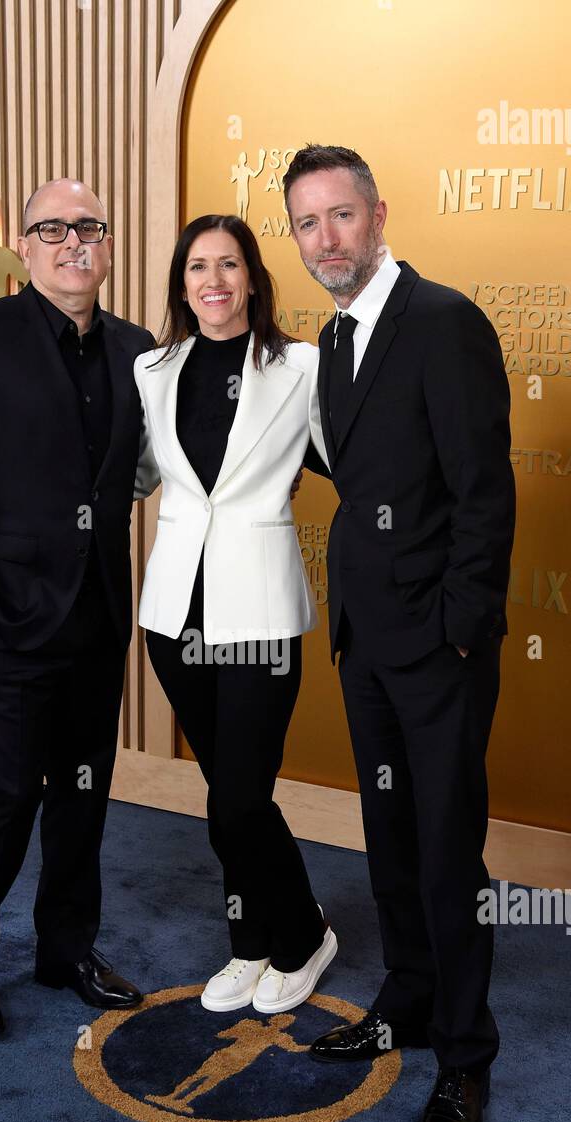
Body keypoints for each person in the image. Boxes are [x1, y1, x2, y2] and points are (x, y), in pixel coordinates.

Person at [284, 145, 515, 1122]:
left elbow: (483, 494)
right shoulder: (327, 342)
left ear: (376, 213)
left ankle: (464, 1057)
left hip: (436, 646)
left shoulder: (443, 322)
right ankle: (408, 1001)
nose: (325, 238)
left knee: (444, 851)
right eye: (305, 224)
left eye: (340, 216)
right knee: (388, 839)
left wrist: (460, 631)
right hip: (365, 639)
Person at [0, 179, 155, 1040]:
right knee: (8, 793)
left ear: (109, 244)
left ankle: (66, 949)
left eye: (88, 227)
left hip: (97, 618)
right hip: (6, 622)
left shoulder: (139, 351)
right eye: (51, 229)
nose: (72, 242)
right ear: (23, 247)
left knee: (83, 793)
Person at [132, 214, 336, 1014]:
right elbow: (143, 471)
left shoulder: (304, 367)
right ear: (182, 283)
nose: (212, 281)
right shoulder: (153, 368)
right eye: (196, 268)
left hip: (258, 612)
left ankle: (302, 938)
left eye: (228, 265)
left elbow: (347, 455)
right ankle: (249, 942)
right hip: (175, 614)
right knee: (225, 790)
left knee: (242, 797)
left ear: (253, 276)